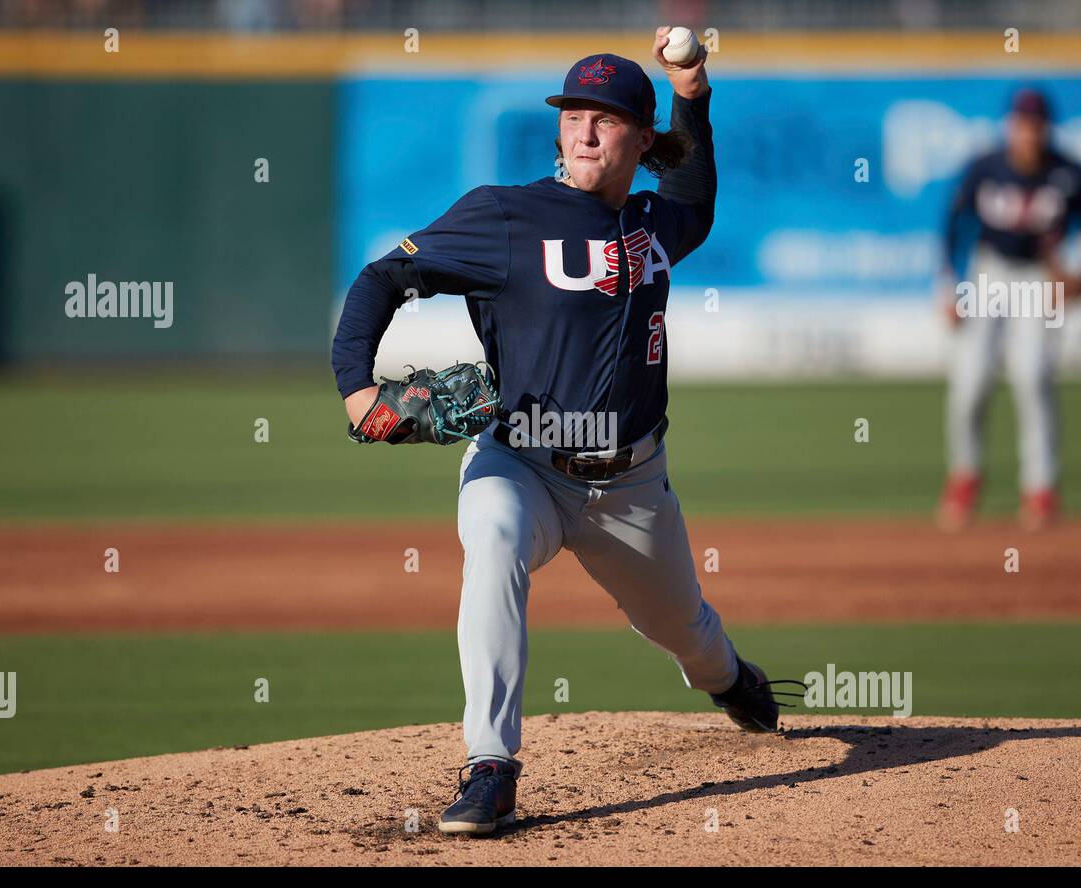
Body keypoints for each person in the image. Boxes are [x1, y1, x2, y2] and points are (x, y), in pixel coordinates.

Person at [331, 28, 802, 837]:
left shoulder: (660, 223)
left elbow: (697, 190)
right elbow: (385, 277)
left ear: (641, 138)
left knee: (683, 630)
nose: (583, 130)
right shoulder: (505, 214)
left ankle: (730, 679)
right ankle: (489, 766)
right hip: (521, 464)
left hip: (631, 488)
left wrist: (692, 87)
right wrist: (358, 391)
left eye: (605, 117)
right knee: (494, 545)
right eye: (572, 113)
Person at [936, 88, 1081, 531]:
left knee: (1032, 376)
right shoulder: (987, 166)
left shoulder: (1067, 171)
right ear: (1010, 125)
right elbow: (953, 225)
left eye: (1035, 124)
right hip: (990, 272)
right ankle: (965, 476)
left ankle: (1040, 488)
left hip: (1038, 277)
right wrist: (949, 289)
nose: (1028, 132)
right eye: (1021, 123)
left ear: (1046, 128)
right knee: (970, 380)